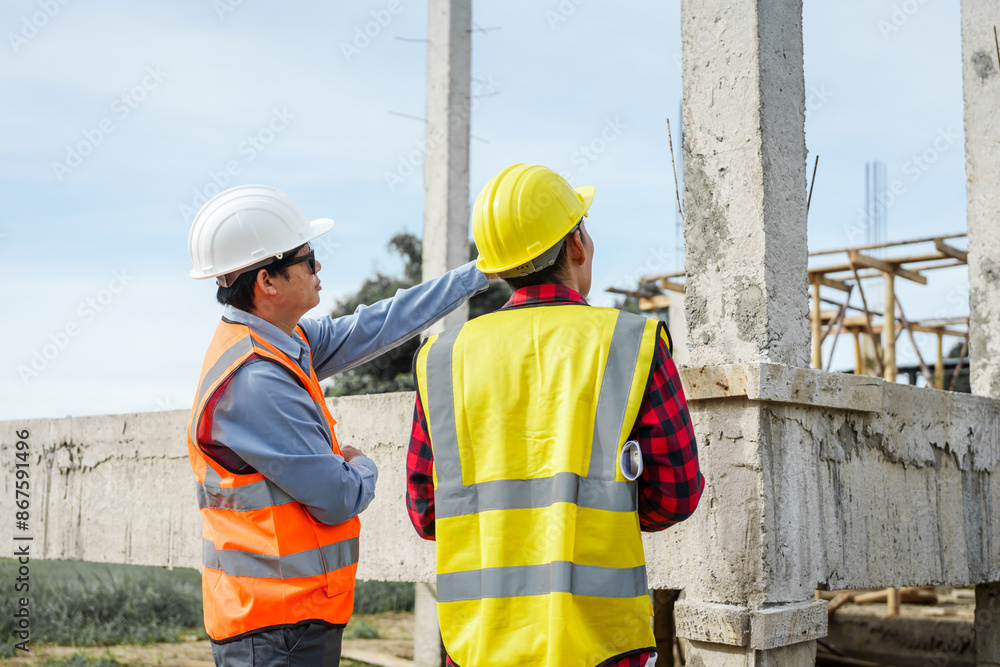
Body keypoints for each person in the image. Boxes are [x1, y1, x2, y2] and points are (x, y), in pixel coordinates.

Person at [406, 164, 704, 667]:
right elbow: (676, 495)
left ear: (498, 268)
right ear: (575, 246)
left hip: (479, 645)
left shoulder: (441, 358)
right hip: (601, 645)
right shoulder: (630, 342)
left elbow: (428, 512)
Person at [186, 184, 489, 666]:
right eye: (309, 258)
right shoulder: (255, 381)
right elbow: (338, 498)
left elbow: (379, 324)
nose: (318, 267)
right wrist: (363, 464)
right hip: (275, 630)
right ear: (267, 281)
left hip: (288, 620)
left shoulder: (280, 341)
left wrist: (478, 274)